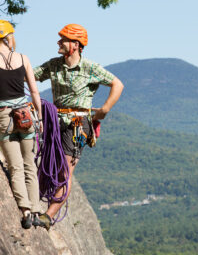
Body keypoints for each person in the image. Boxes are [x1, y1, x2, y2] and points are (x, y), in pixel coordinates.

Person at [34, 24, 124, 230]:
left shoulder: (90, 68)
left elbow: (117, 84)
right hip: (55, 120)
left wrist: (105, 109)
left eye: (63, 39)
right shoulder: (54, 65)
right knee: (49, 164)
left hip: (79, 124)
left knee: (65, 170)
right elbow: (31, 75)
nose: (59, 42)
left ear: (75, 45)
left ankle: (48, 216)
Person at [0, 20, 43, 229]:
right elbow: (34, 91)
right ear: (9, 37)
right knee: (29, 166)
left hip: (4, 118)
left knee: (15, 167)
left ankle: (25, 210)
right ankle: (35, 210)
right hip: (26, 116)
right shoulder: (23, 58)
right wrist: (41, 118)